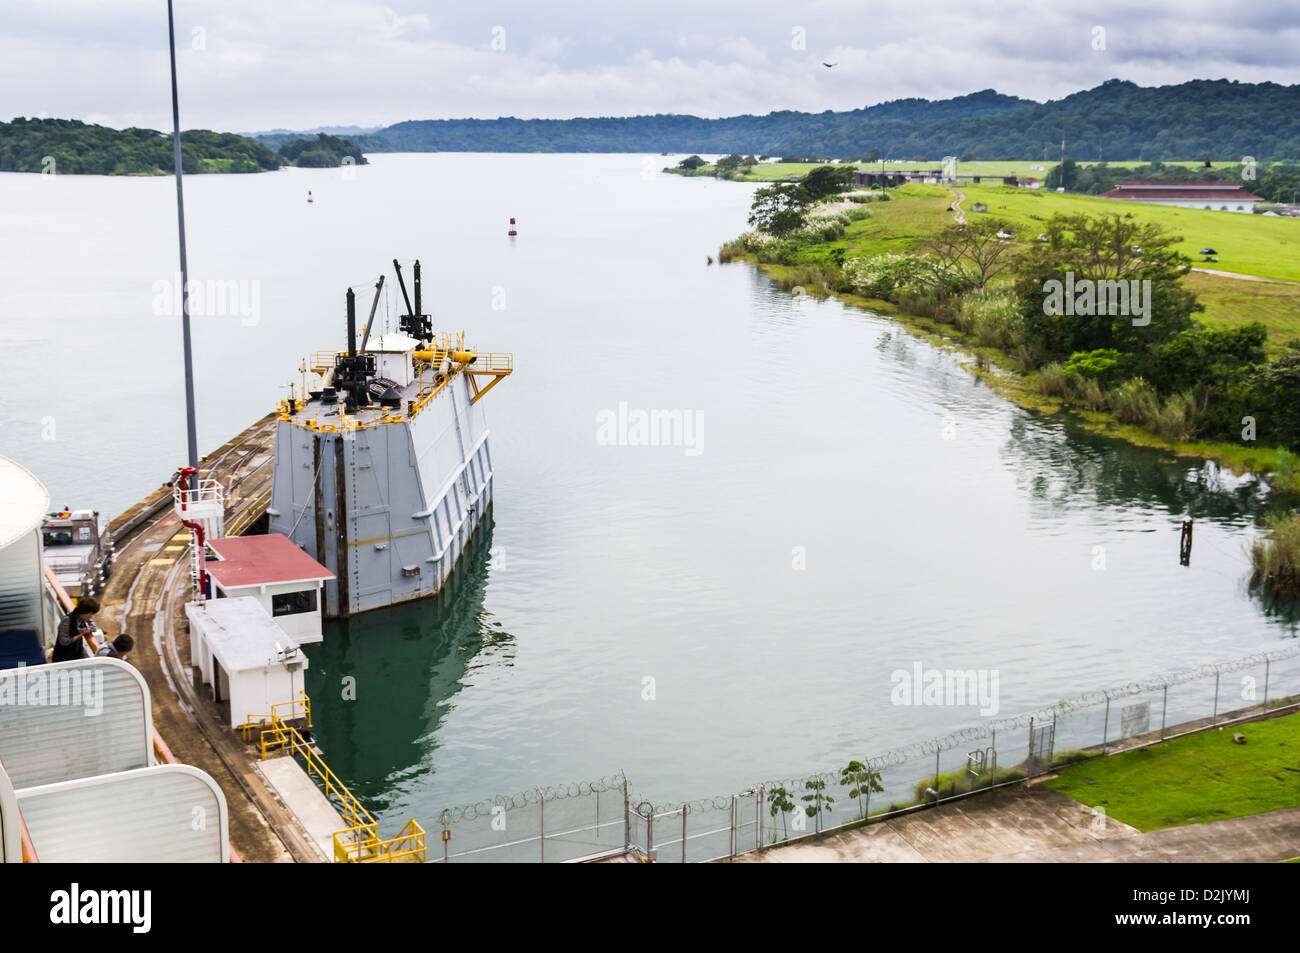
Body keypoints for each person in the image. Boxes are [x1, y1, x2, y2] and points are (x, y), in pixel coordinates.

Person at [50, 596, 100, 663]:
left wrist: (83, 630)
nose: (91, 616)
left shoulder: (83, 618)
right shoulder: (67, 620)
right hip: (63, 657)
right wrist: (81, 634)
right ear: (84, 611)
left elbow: (94, 628)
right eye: (90, 614)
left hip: (76, 654)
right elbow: (64, 641)